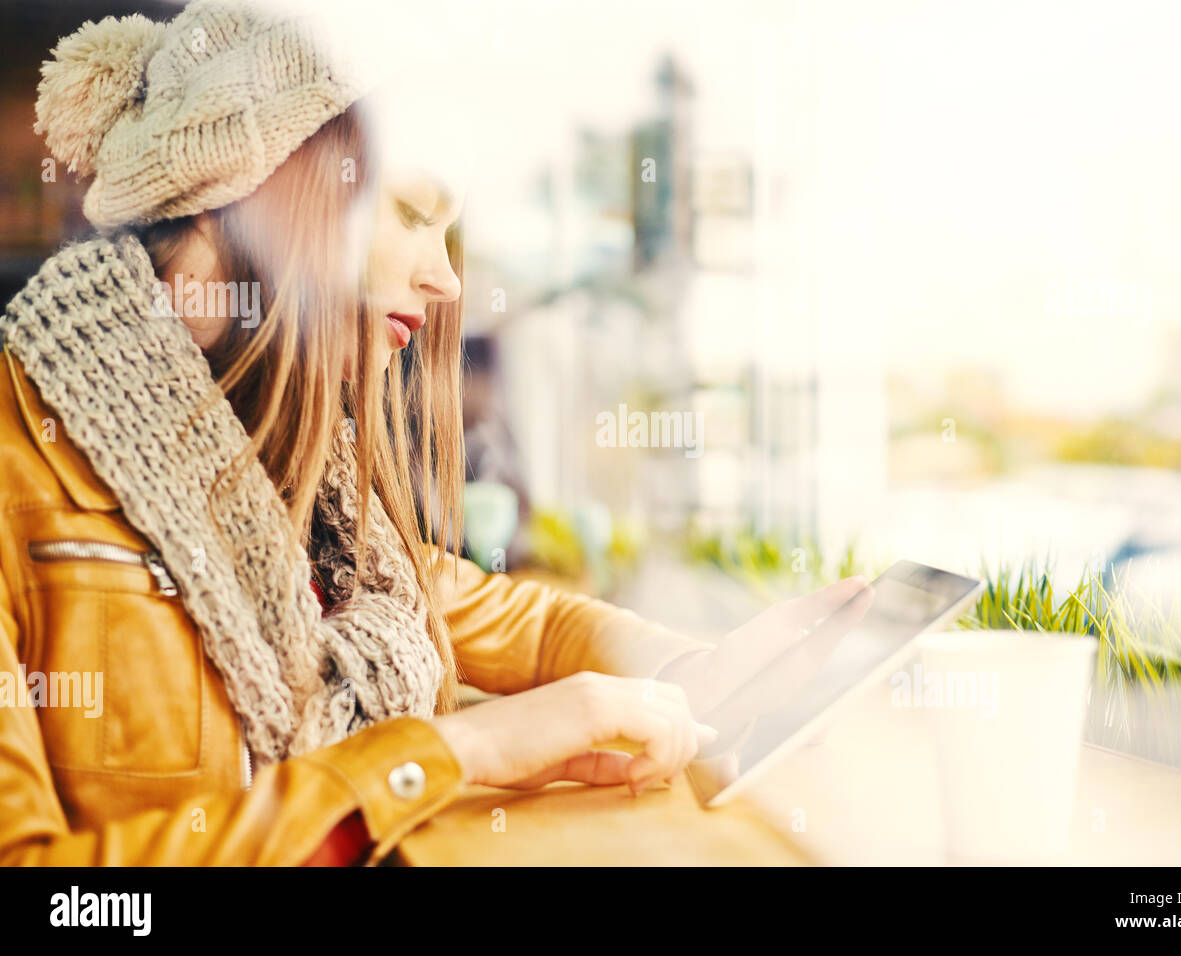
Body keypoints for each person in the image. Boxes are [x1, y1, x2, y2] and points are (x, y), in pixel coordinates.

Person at [0, 0, 872, 866]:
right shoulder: (24, 461)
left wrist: (698, 673)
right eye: (414, 214)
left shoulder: (273, 456)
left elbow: (502, 614)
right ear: (270, 186)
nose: (448, 279)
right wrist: (465, 753)